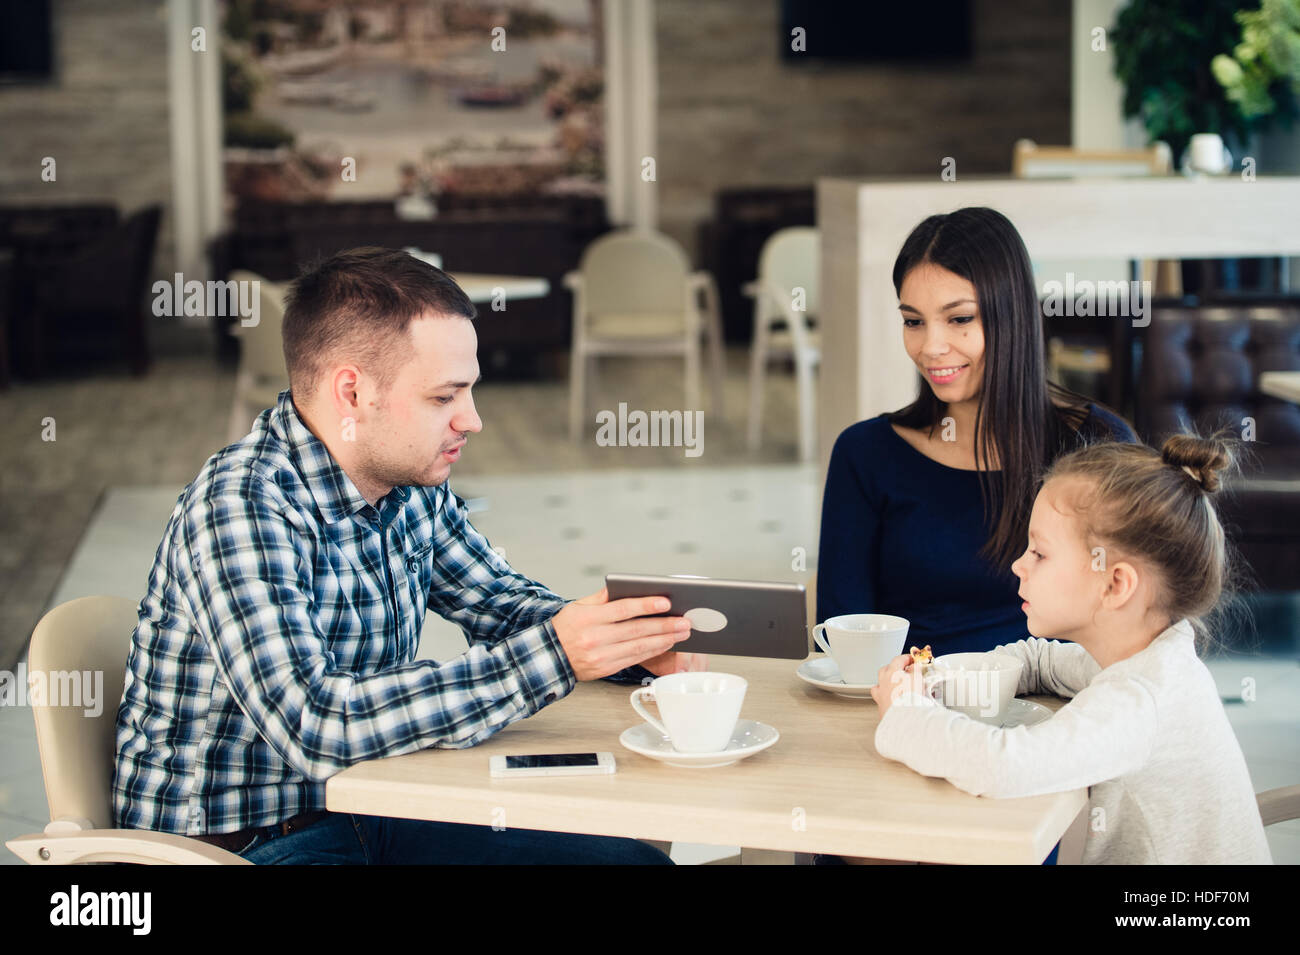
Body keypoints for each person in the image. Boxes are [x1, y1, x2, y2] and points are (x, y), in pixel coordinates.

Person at [113, 247, 704, 864]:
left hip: (368, 806)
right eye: (444, 398)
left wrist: (623, 644)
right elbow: (316, 725)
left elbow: (497, 602)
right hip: (239, 848)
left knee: (632, 863)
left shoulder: (406, 480)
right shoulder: (240, 505)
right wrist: (556, 653)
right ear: (353, 392)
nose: (471, 421)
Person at [871, 433, 1273, 864]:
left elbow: (1002, 767)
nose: (1017, 564)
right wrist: (950, 676)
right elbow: (1040, 660)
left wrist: (906, 713)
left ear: (1115, 584)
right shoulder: (1147, 657)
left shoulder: (1139, 701)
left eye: (1039, 554)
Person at [817, 207, 1138, 656]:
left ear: (1013, 317)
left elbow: (1133, 628)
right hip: (910, 712)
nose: (931, 347)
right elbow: (841, 639)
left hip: (1058, 711)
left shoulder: (1098, 445)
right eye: (913, 321)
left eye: (960, 318)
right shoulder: (865, 454)